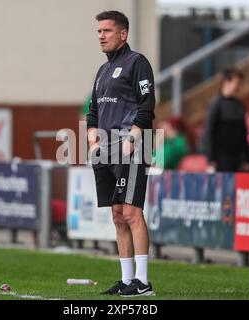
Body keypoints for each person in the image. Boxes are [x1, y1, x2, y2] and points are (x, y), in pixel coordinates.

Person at [86, 10, 155, 296]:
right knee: (116, 214)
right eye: (99, 31)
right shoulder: (102, 71)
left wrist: (133, 137)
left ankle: (143, 282)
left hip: (132, 146)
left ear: (123, 34)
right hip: (106, 147)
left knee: (131, 211)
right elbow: (93, 110)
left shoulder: (136, 62)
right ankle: (127, 280)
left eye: (106, 31)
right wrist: (92, 138)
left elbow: (147, 103)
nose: (101, 35)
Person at [202, 67, 249, 172]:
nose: (239, 86)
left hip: (238, 159)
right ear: (226, 82)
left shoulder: (239, 105)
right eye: (237, 83)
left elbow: (243, 133)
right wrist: (210, 160)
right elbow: (208, 133)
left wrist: (247, 158)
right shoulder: (216, 105)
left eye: (240, 83)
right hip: (221, 158)